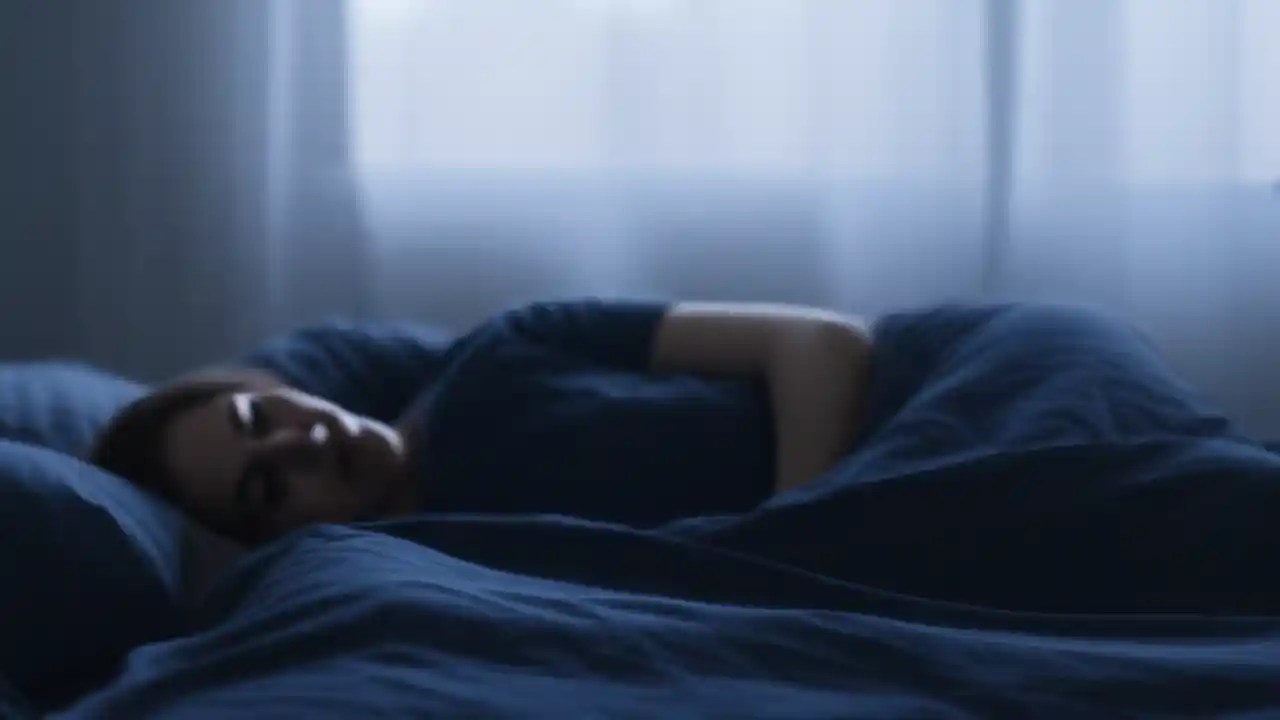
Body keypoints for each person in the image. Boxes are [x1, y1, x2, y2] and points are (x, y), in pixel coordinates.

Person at [91, 299, 875, 545]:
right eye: (266, 487)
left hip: (901, 408)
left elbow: (818, 338)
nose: (301, 440)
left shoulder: (510, 345)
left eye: (258, 416)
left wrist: (796, 521)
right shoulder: (433, 565)